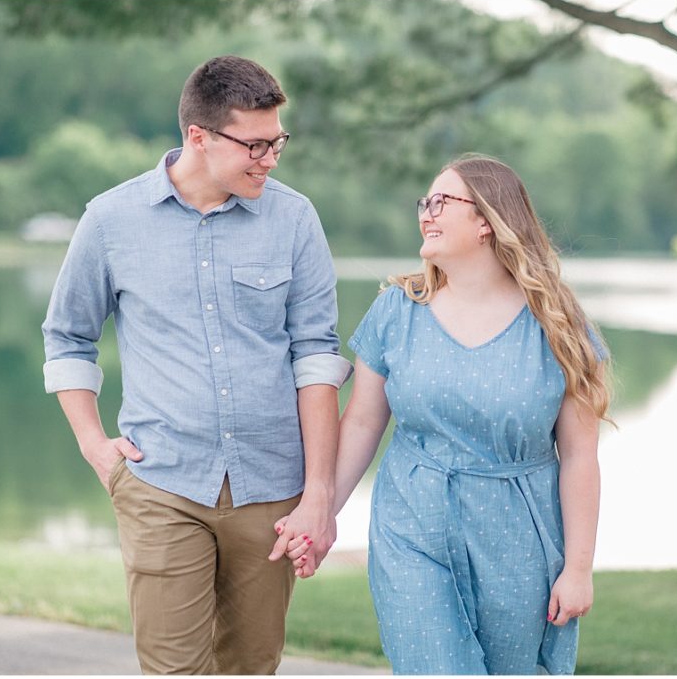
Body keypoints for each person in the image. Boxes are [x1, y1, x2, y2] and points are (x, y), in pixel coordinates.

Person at [41, 55, 352, 675]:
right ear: (199, 136)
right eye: (254, 146)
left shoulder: (294, 219)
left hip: (272, 490)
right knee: (172, 669)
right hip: (162, 484)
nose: (269, 159)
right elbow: (67, 338)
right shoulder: (110, 220)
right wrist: (95, 447)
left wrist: (319, 495)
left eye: (277, 143)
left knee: (250, 667)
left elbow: (316, 357)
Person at [282, 153, 611, 674]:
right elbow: (363, 423)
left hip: (519, 539)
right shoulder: (397, 311)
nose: (426, 213)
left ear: (487, 220)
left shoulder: (558, 325)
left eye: (442, 202)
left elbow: (578, 457)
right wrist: (321, 514)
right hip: (412, 526)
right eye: (424, 202)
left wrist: (579, 568)